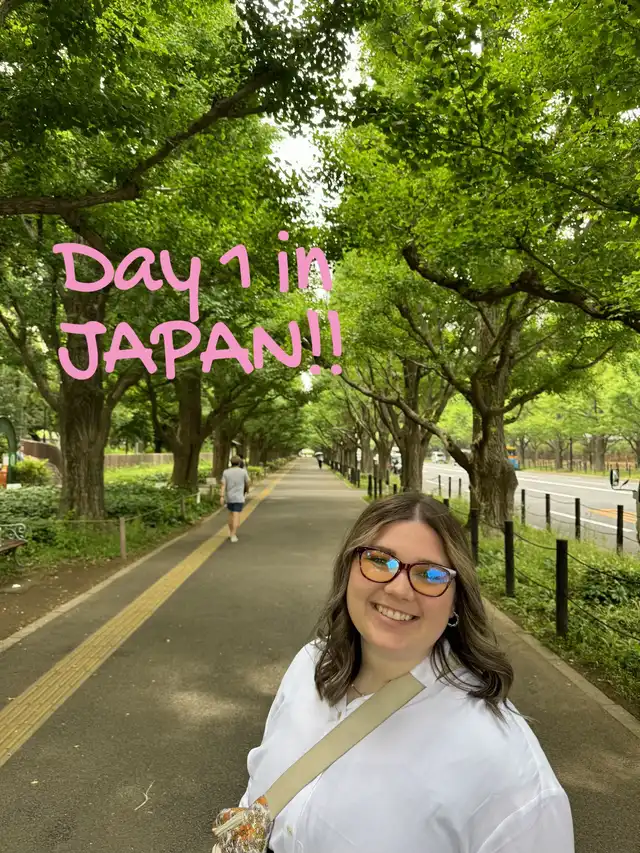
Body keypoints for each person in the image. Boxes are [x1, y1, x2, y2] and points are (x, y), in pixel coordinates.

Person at [233, 492, 574, 852]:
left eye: (430, 574)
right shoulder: (310, 665)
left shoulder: (506, 768)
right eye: (380, 560)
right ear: (348, 570)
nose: (399, 589)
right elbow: (259, 790)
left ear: (455, 600)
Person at [219, 456, 250, 543]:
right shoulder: (243, 472)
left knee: (230, 514)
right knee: (236, 515)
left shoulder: (226, 472)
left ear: (231, 462)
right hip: (239, 497)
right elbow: (248, 482)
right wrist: (247, 490)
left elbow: (223, 485)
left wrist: (221, 496)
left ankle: (230, 532)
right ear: (239, 463)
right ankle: (233, 534)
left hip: (229, 497)